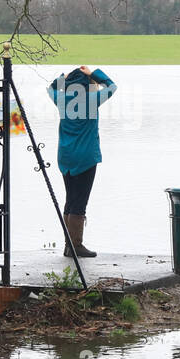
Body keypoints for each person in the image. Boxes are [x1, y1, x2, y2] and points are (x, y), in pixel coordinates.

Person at [47, 65, 117, 258]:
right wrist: (93, 73)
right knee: (80, 202)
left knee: (70, 200)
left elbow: (50, 88)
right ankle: (76, 246)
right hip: (86, 157)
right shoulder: (91, 100)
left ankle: (68, 245)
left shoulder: (61, 99)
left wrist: (64, 77)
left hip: (66, 157)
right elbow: (111, 86)